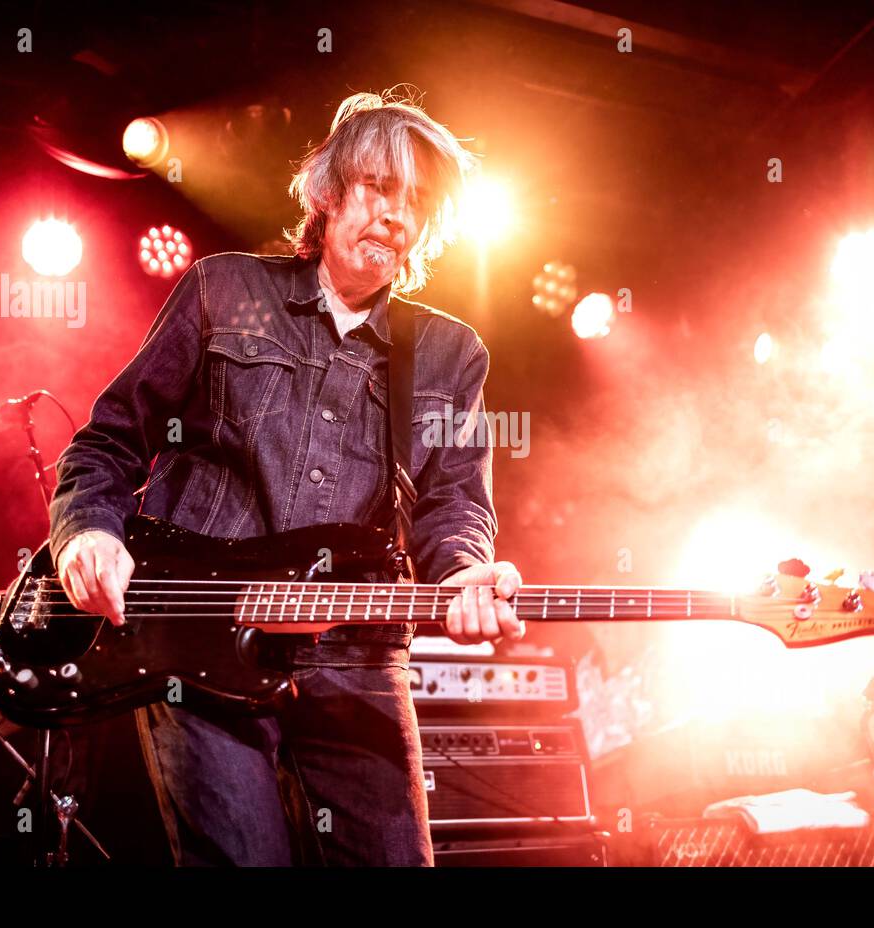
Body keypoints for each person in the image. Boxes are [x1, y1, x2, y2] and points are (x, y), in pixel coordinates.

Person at [47, 89, 524, 865]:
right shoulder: (223, 288)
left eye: (417, 202)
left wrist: (467, 571)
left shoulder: (450, 352)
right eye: (378, 188)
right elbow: (108, 440)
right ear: (329, 191)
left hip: (356, 652)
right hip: (202, 635)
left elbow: (454, 503)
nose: (395, 215)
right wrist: (89, 532)